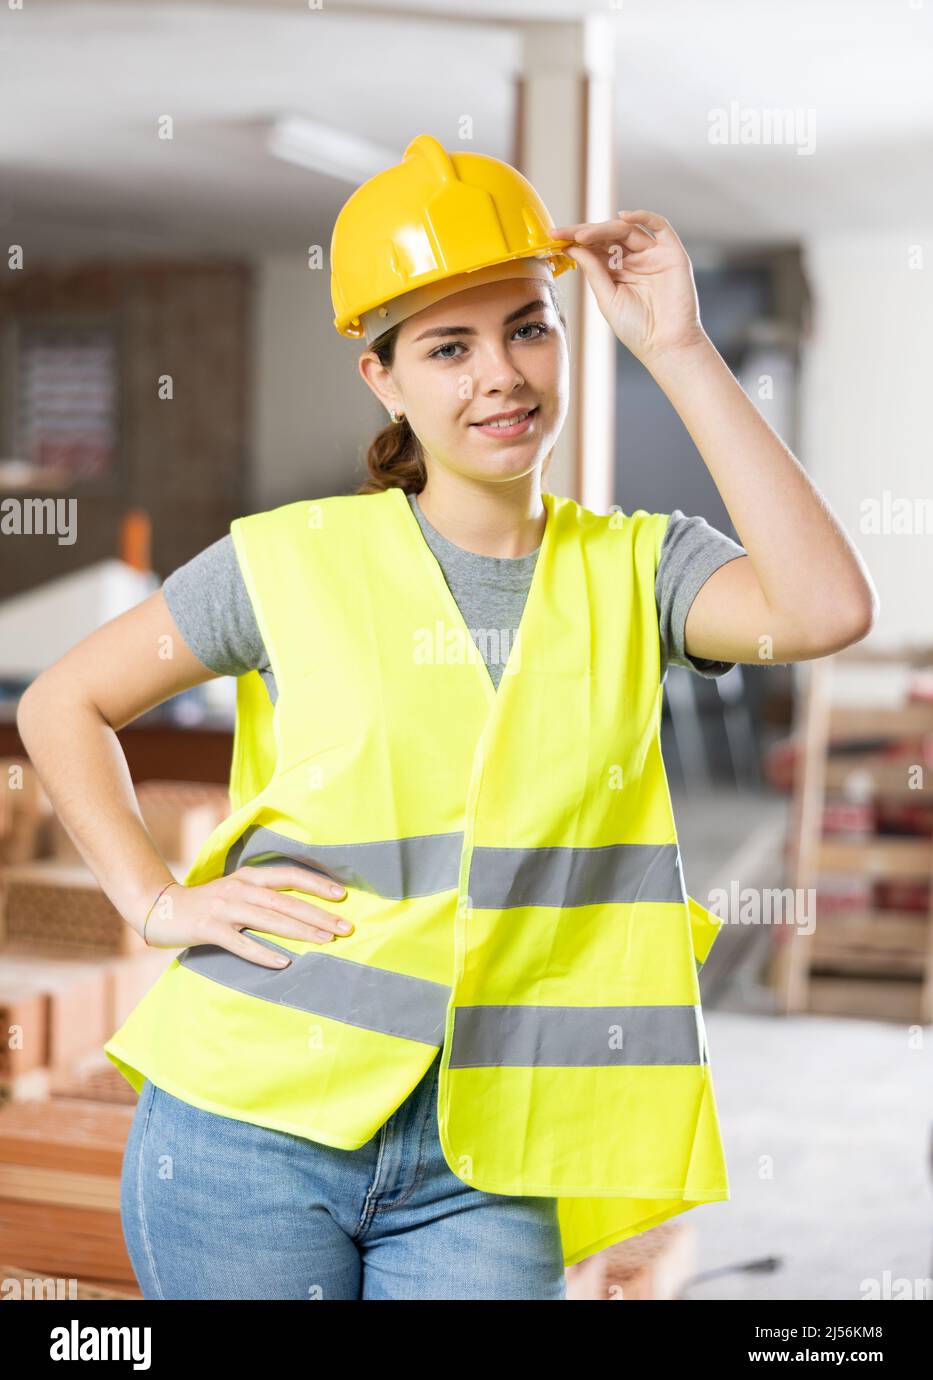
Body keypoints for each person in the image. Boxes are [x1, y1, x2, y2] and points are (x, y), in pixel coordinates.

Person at [16, 137, 878, 1301]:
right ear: (384, 377)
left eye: (528, 325)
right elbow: (65, 701)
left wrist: (675, 348)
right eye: (448, 346)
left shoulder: (644, 569)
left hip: (492, 1146)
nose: (501, 376)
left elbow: (825, 608)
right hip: (247, 1126)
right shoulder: (289, 561)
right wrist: (157, 899)